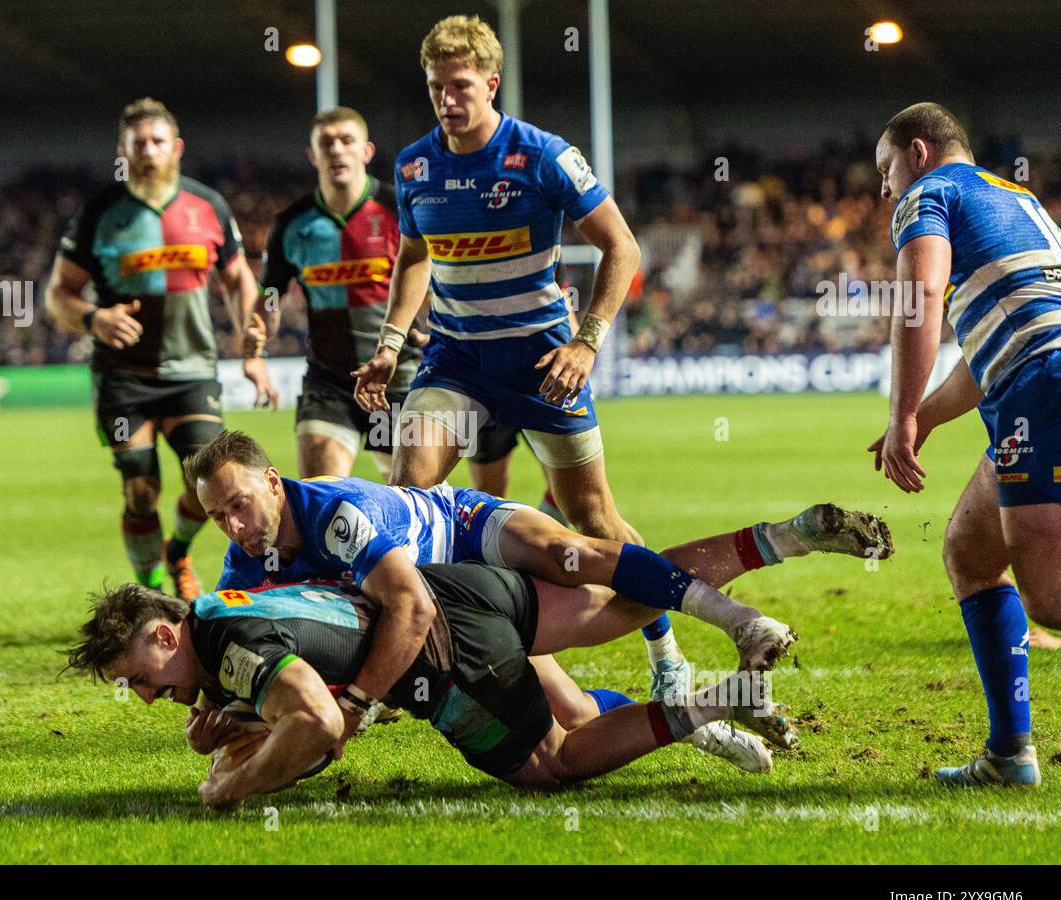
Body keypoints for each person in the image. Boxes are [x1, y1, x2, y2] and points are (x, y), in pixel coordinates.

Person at [347, 15, 704, 729]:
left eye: (459, 86)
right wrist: (391, 342)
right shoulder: (414, 166)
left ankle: (664, 647)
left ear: (491, 82)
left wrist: (587, 341)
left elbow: (623, 248)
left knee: (592, 517)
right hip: (456, 358)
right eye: (435, 88)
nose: (447, 100)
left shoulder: (543, 156)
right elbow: (414, 257)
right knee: (409, 491)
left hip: (543, 364)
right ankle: (411, 651)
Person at [185, 429, 892, 768]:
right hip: (460, 615)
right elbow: (233, 639)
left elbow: (406, 606)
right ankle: (708, 718)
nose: (236, 524)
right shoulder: (244, 561)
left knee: (580, 562)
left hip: (462, 534)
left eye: (242, 503)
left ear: (274, 481)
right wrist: (214, 710)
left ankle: (778, 550)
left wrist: (358, 704)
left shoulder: (332, 513)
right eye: (220, 516)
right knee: (576, 713)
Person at [66, 561, 799, 808]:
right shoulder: (223, 606)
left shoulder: (227, 645)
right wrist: (235, 730)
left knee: (555, 763)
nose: (145, 695)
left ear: (166, 636)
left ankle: (715, 702)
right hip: (451, 587)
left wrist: (234, 784)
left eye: (138, 678)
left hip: (443, 658)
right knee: (614, 598)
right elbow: (303, 674)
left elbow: (319, 725)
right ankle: (756, 571)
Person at [869, 101, 1061, 786]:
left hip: (1045, 384)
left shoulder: (929, 193)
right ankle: (1010, 754)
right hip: (1046, 375)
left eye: (885, 169)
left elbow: (921, 293)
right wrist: (924, 417)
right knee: (970, 548)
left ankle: (1012, 755)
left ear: (918, 152)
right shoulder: (1016, 198)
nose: (884, 188)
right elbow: (989, 350)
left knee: (1049, 596)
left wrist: (898, 412)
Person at [45, 97, 270, 600]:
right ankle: (152, 594)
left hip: (192, 370)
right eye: (137, 143)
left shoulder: (207, 205)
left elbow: (238, 280)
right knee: (141, 490)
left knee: (209, 477)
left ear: (177, 148)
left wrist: (251, 349)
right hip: (124, 376)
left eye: (157, 142)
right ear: (123, 151)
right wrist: (93, 317)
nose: (148, 151)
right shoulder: (99, 214)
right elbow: (58, 294)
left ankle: (179, 552)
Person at [248, 106, 422, 480]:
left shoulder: (398, 209)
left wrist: (435, 322)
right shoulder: (291, 224)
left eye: (347, 141)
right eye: (326, 143)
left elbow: (432, 274)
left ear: (366, 151)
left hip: (399, 376)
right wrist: (256, 342)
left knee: (411, 502)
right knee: (322, 496)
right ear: (312, 155)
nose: (337, 150)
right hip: (328, 380)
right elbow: (271, 295)